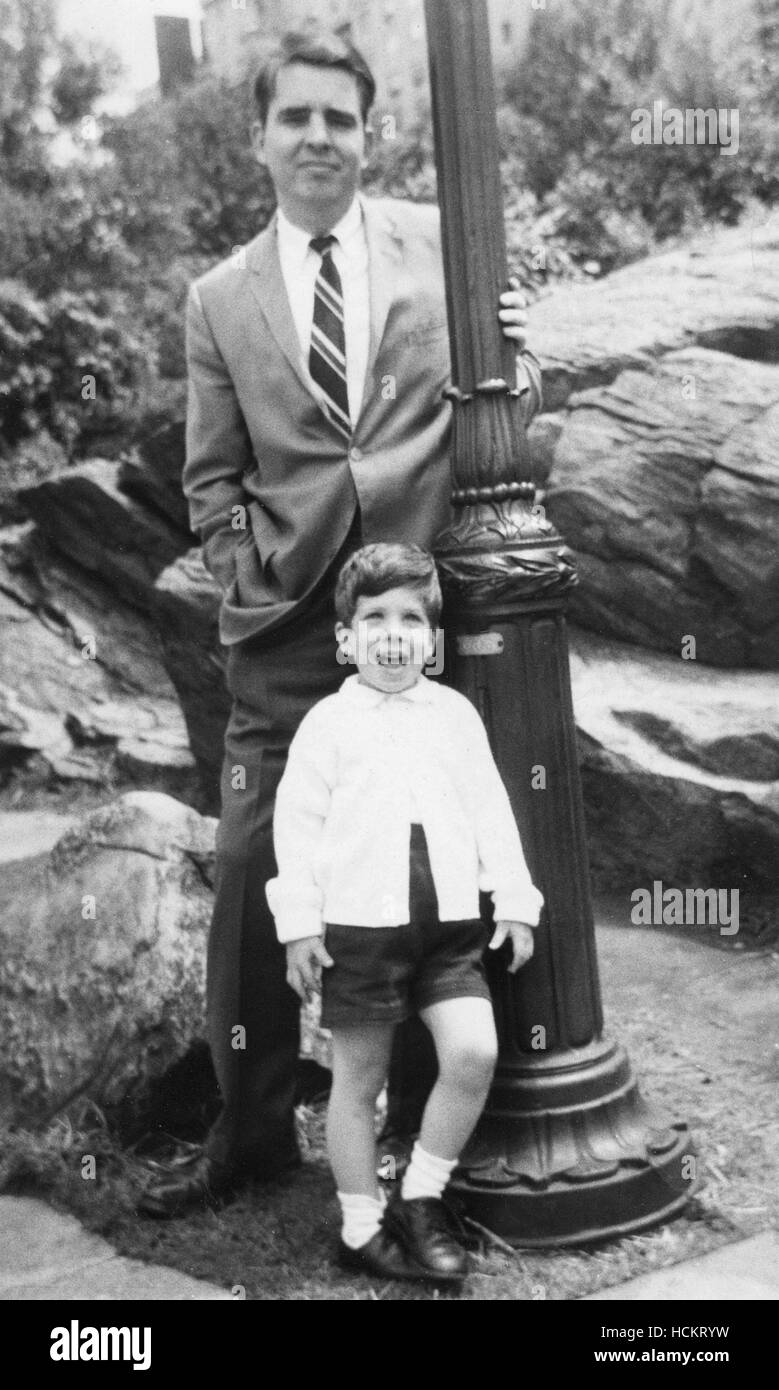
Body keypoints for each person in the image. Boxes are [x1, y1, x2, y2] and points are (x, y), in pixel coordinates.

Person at [139, 27, 542, 1219]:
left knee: (431, 870)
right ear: (260, 137)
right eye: (296, 117)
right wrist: (251, 572)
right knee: (257, 871)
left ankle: (425, 1137)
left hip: (415, 627)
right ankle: (252, 1130)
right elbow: (208, 479)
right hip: (284, 637)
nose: (319, 137)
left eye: (341, 119)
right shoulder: (220, 297)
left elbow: (506, 398)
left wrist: (517, 348)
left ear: (369, 134)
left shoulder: (441, 246)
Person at [267, 543, 543, 1282]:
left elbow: (490, 812)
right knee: (359, 1080)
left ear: (433, 639)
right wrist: (299, 922)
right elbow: (295, 826)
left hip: (448, 932)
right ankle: (360, 1227)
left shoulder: (452, 716)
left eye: (410, 618)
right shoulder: (327, 724)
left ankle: (419, 1196)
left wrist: (513, 899)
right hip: (357, 934)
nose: (393, 634)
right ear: (345, 638)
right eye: (374, 618)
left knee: (471, 1053)